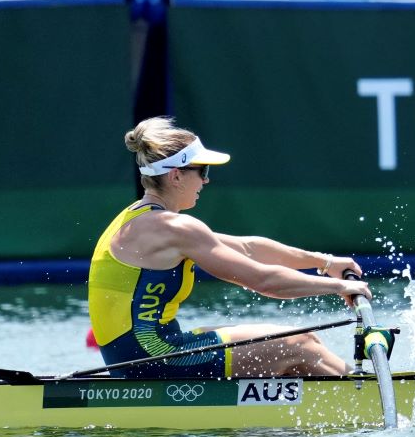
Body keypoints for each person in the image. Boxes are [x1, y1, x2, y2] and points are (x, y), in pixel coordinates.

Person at [89, 118, 369, 379]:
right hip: (153, 358)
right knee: (300, 344)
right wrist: (341, 288)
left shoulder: (136, 218)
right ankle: (371, 396)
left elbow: (247, 248)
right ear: (176, 176)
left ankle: (282, 421)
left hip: (138, 355)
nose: (206, 180)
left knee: (299, 340)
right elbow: (264, 281)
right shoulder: (173, 227)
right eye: (203, 171)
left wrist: (325, 261)